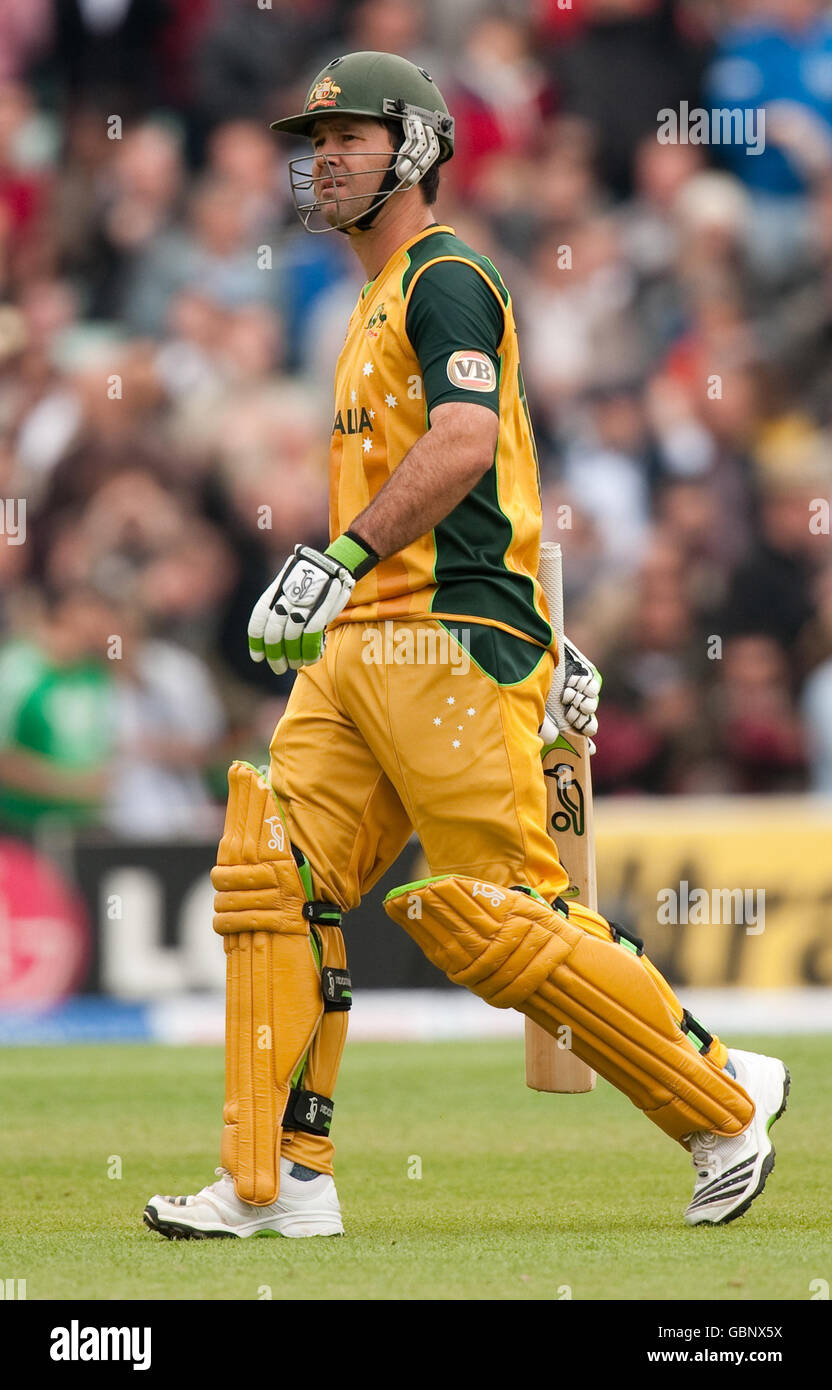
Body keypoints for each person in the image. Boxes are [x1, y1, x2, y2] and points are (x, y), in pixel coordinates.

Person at [144, 52, 788, 1240]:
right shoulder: (370, 298)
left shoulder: (447, 275)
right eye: (317, 137)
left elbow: (465, 443)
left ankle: (722, 1093)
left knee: (495, 912)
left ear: (420, 149)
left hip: (444, 638)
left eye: (354, 134)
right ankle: (282, 1175)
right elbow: (513, 474)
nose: (326, 153)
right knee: (274, 883)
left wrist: (342, 559)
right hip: (359, 650)